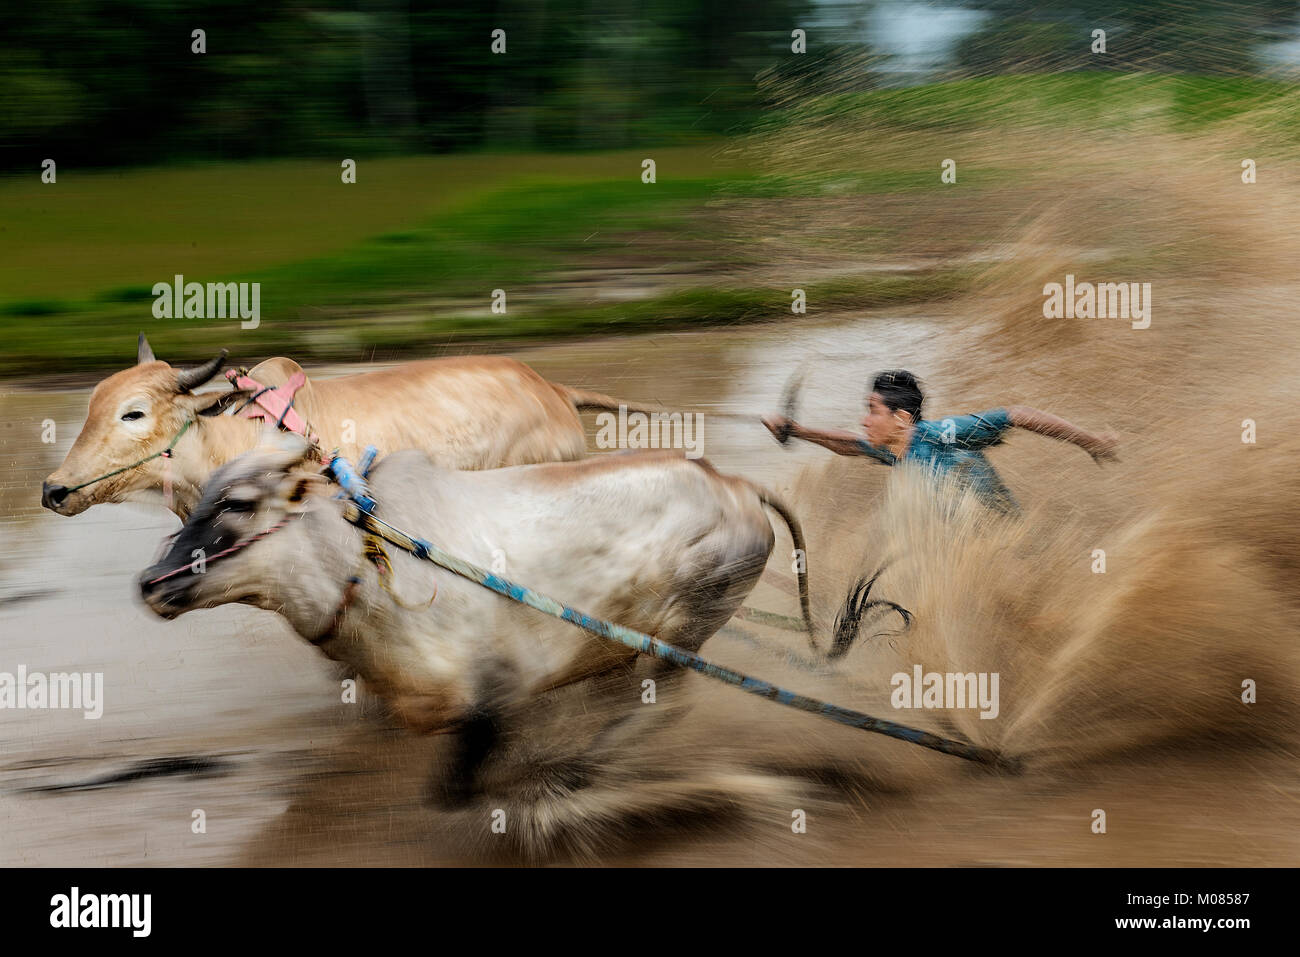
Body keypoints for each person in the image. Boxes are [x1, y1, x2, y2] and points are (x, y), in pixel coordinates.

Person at [762, 370, 1119, 513]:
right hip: (965, 549)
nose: (864, 419)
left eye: (872, 410)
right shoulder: (894, 449)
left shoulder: (943, 433)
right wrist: (796, 430)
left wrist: (1091, 442)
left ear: (901, 419)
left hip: (1007, 544)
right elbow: (852, 444)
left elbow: (1018, 414)